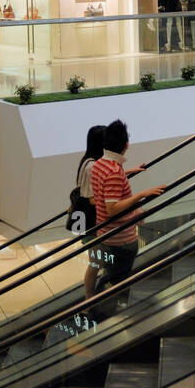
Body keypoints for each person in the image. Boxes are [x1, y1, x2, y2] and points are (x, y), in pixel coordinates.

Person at [89, 120, 163, 304]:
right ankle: (109, 315)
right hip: (120, 240)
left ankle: (98, 307)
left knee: (109, 275)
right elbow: (112, 209)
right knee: (118, 283)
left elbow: (108, 197)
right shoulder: (114, 171)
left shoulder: (99, 164)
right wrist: (141, 195)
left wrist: (134, 209)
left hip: (104, 235)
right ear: (126, 145)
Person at [75, 125, 106, 298]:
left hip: (94, 222)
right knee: (95, 262)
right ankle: (89, 297)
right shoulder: (91, 166)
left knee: (98, 261)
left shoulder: (90, 161)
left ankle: (92, 295)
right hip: (92, 222)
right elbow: (91, 198)